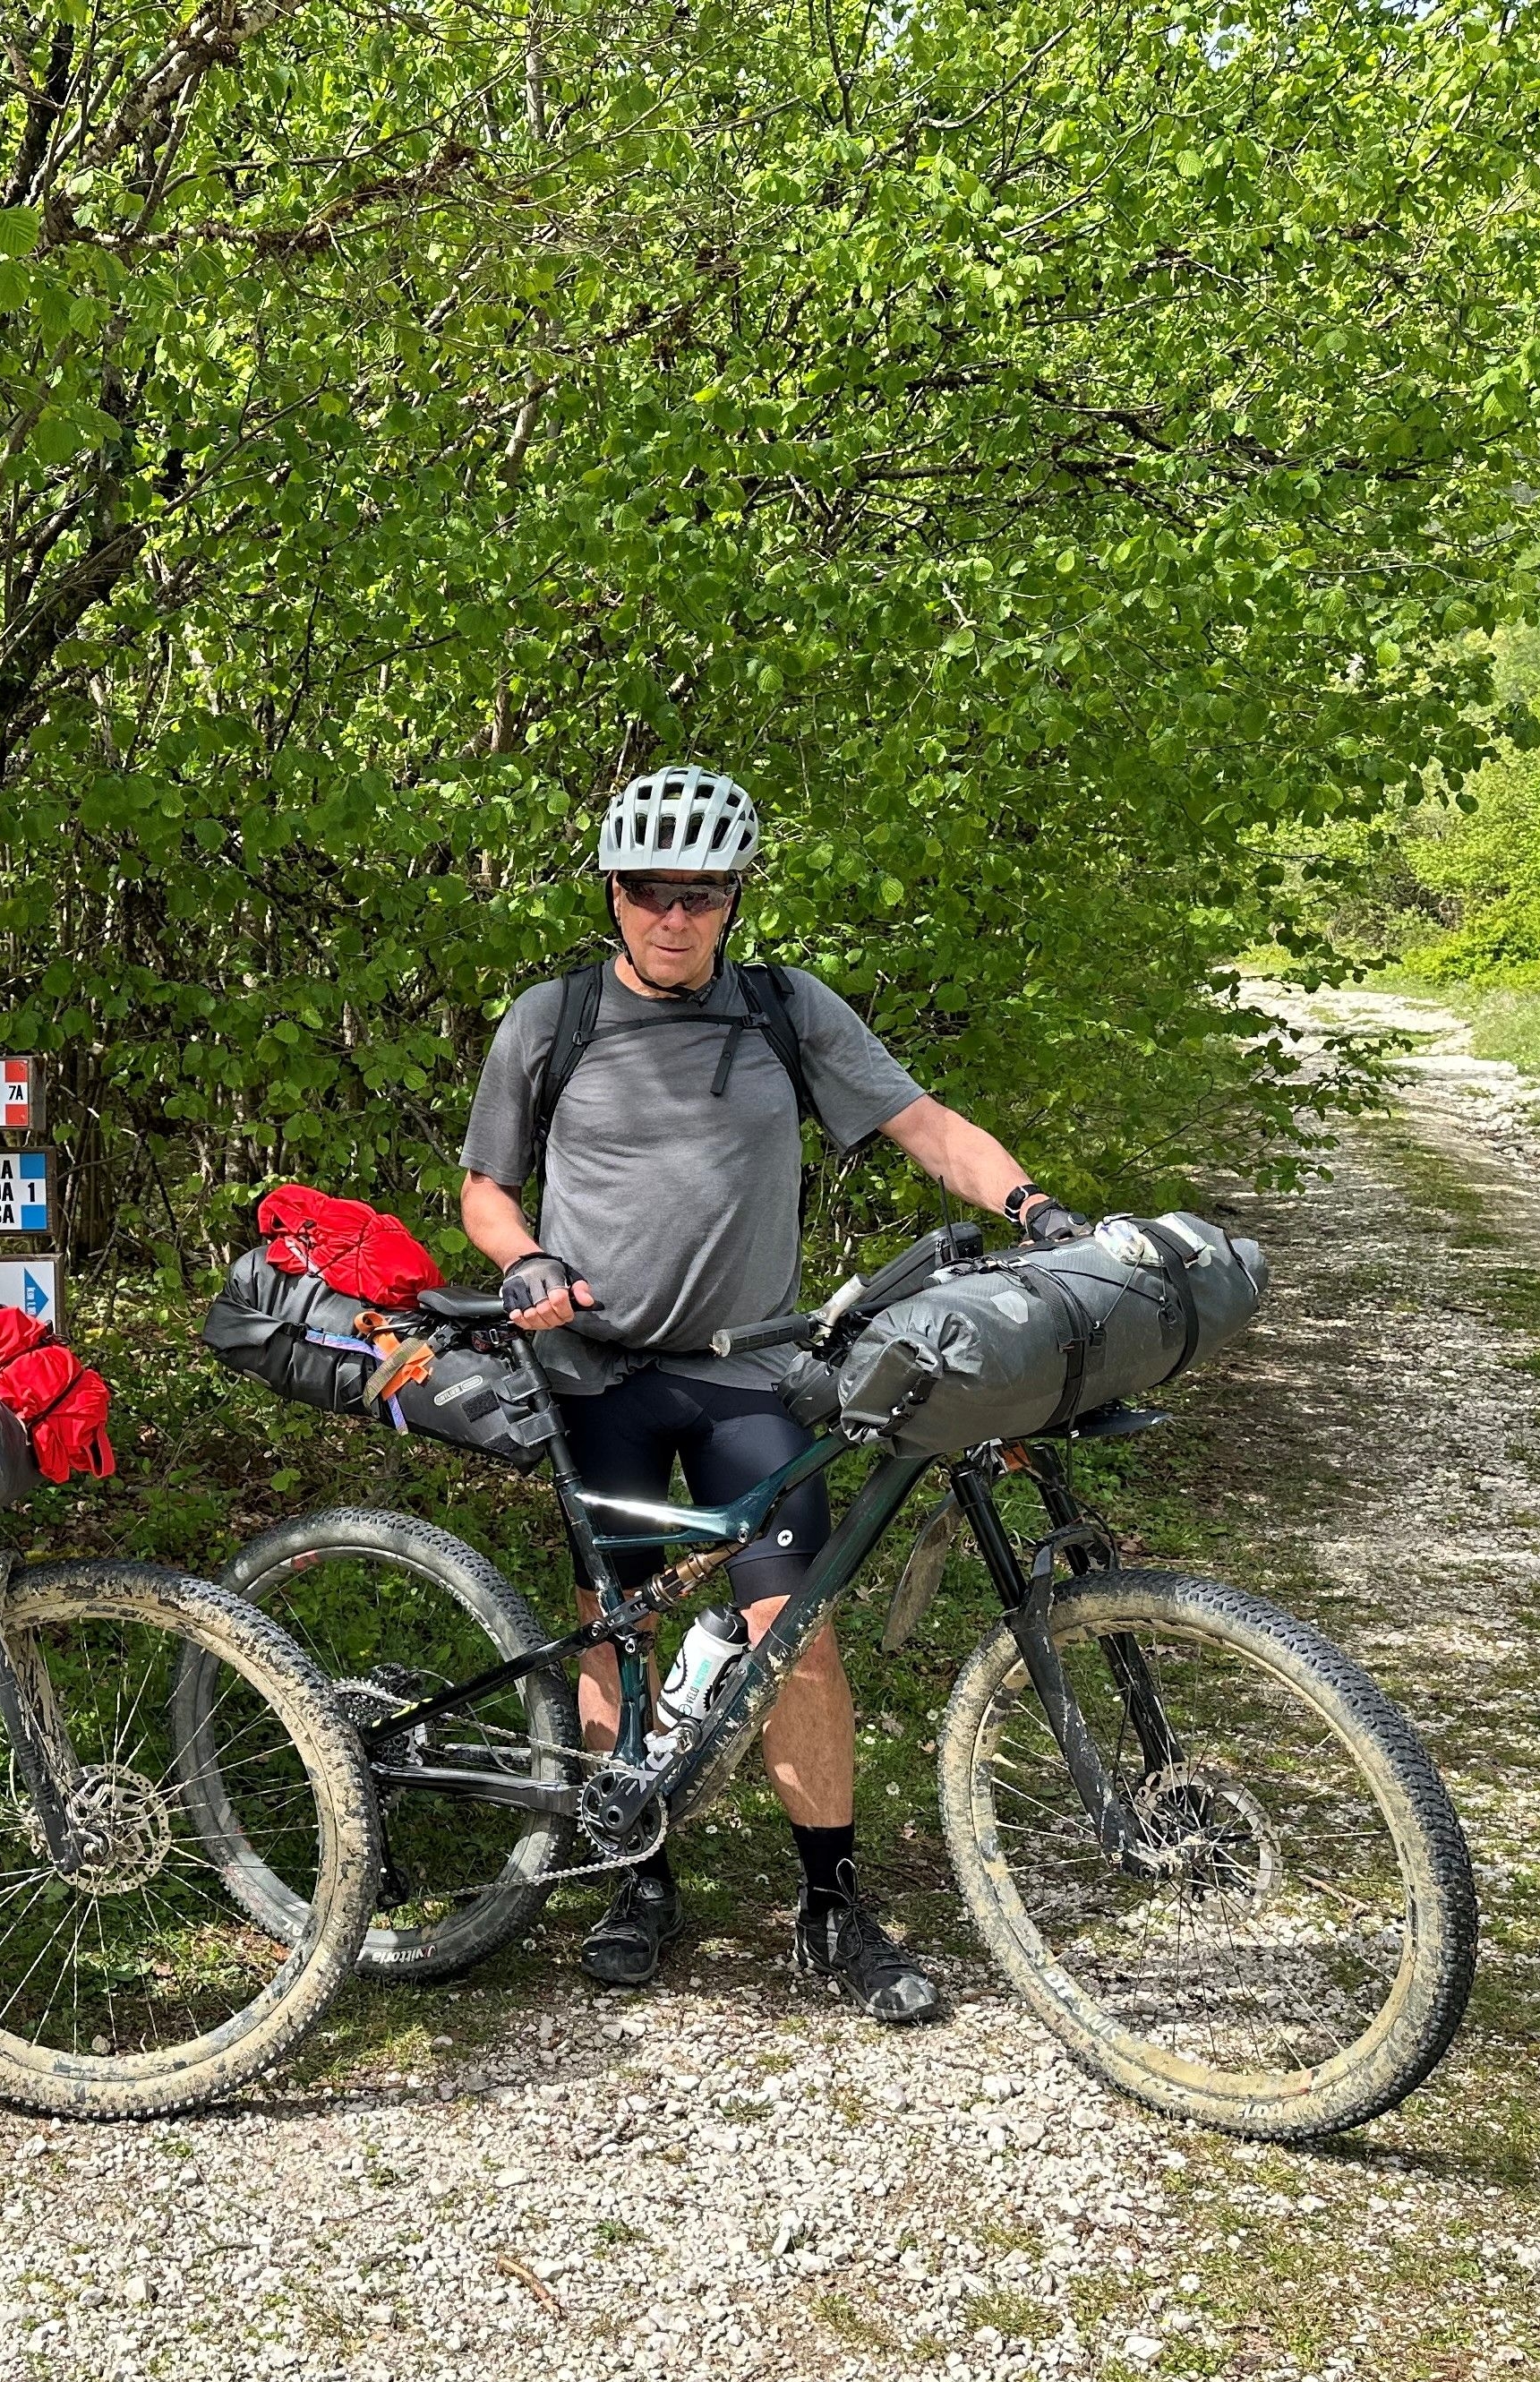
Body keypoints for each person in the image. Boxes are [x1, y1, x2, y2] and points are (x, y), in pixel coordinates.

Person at [458, 764, 1093, 2019]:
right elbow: (486, 1189)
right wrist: (522, 1259)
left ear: (733, 901)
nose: (673, 914)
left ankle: (832, 1904)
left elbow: (926, 1126)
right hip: (598, 1375)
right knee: (614, 1626)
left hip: (751, 1376)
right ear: (613, 895)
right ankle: (634, 1877)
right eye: (650, 889)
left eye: (700, 892)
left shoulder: (784, 1011)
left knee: (793, 1632)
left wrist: (1035, 1206)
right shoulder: (553, 1019)